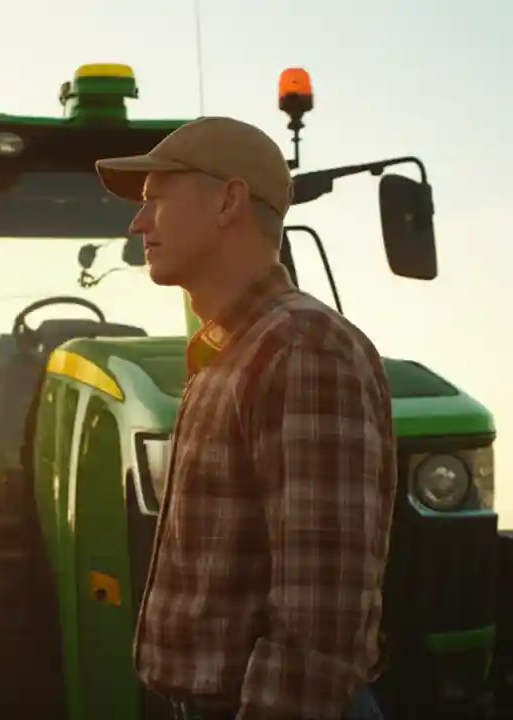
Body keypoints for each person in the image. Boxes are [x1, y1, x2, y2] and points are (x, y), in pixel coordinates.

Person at [94, 117, 396, 720]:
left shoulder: (303, 348)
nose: (138, 222)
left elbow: (320, 611)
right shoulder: (229, 352)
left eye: (156, 199)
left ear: (229, 201)